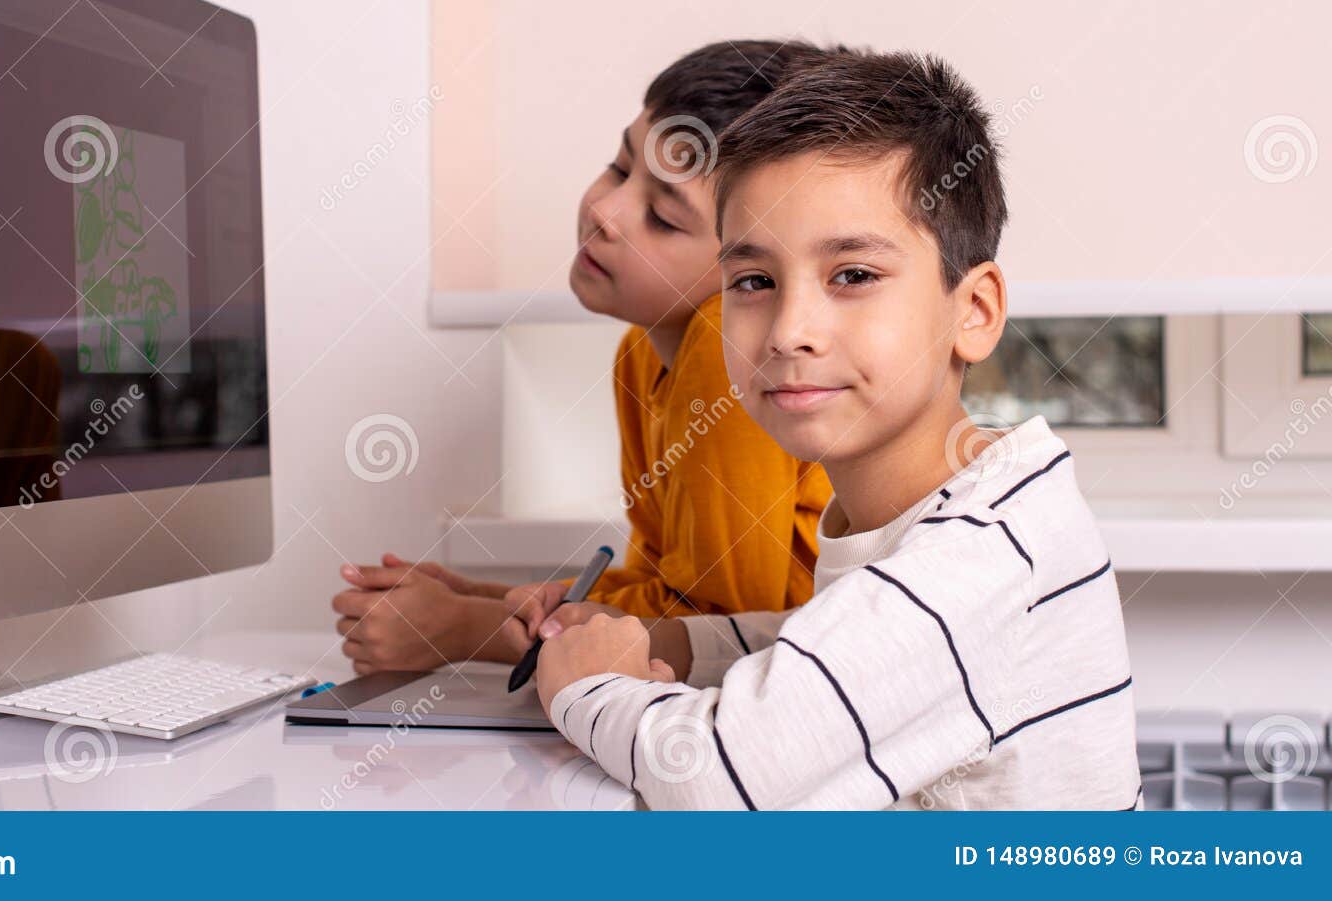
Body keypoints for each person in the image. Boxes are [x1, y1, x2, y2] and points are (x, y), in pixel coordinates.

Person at [528, 51, 1141, 809]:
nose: (789, 330)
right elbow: (824, 648)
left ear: (973, 311)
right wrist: (665, 643)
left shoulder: (977, 556)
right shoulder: (959, 509)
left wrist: (584, 682)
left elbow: (715, 777)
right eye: (753, 281)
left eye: (852, 275)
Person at [332, 40, 843, 675]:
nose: (605, 210)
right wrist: (477, 597)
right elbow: (661, 591)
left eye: (661, 216)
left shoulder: (727, 351)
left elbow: (722, 630)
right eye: (620, 167)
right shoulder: (641, 349)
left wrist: (465, 629)